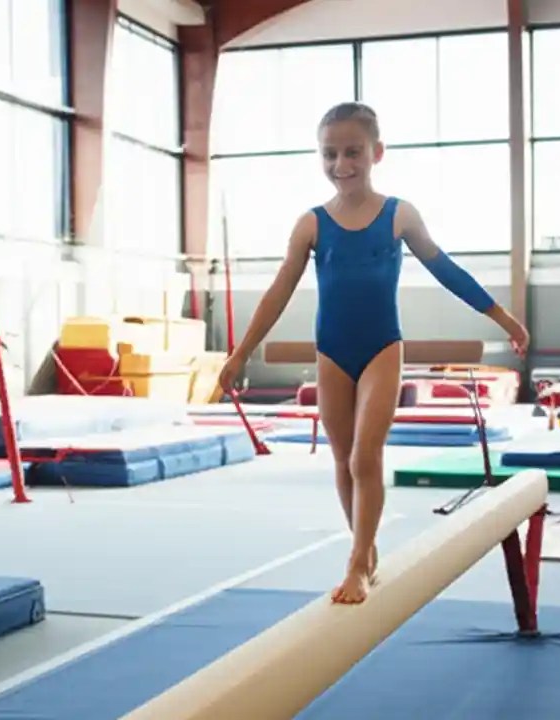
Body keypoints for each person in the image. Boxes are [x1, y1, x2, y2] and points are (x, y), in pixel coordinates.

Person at [217, 101, 530, 605]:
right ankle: (365, 548)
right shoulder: (311, 225)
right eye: (330, 154)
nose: (342, 164)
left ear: (377, 152)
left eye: (353, 152)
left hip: (383, 346)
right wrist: (239, 354)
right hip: (333, 352)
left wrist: (501, 316)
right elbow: (278, 292)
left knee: (367, 456)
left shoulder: (398, 215)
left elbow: (445, 269)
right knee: (342, 460)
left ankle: (358, 563)